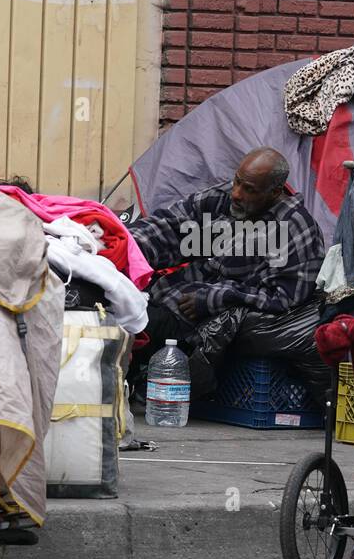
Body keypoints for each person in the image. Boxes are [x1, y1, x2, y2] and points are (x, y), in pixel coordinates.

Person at [127, 147, 331, 406]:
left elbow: (285, 298)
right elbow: (172, 226)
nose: (236, 193)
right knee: (123, 307)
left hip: (216, 317)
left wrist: (216, 297)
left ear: (275, 192)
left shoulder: (294, 228)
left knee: (141, 325)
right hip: (179, 296)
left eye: (249, 189)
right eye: (237, 181)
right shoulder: (225, 200)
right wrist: (125, 244)